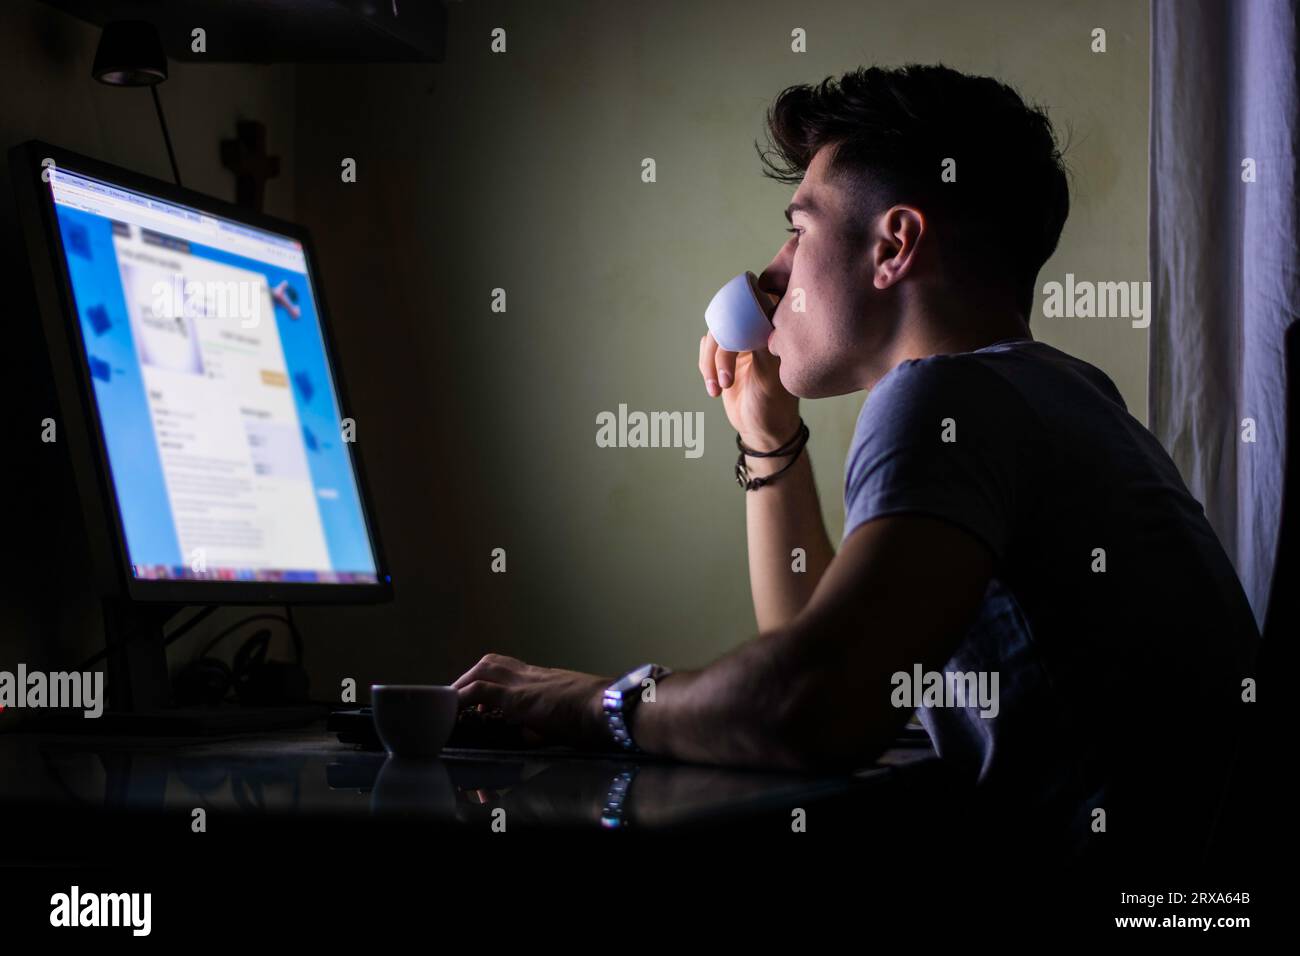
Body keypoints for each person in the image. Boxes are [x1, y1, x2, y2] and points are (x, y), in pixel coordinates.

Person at [453, 65, 1260, 860]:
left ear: (895, 245)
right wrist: (769, 438)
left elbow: (810, 706)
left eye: (798, 229)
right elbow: (823, 649)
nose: (771, 272)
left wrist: (591, 702)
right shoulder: (1060, 391)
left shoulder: (944, 397)